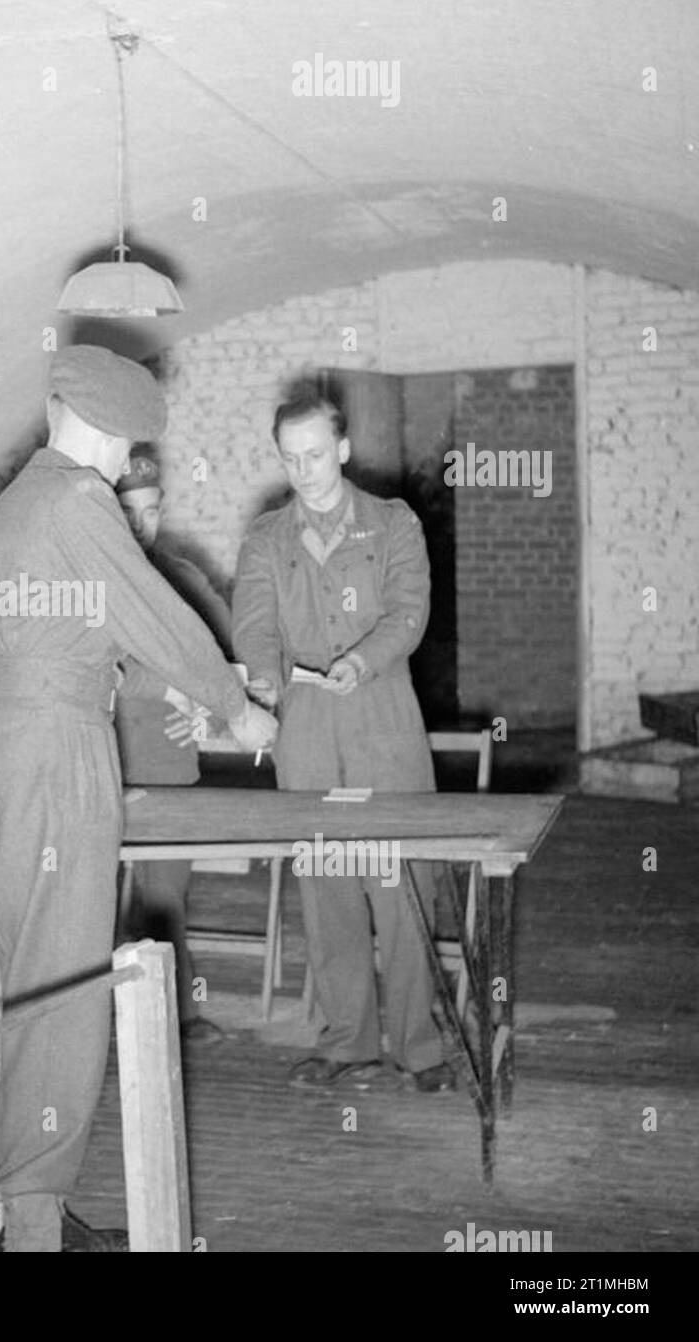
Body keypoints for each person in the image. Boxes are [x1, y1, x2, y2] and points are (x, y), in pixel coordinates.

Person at [0, 345, 276, 1252]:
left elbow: (28, 635)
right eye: (124, 443)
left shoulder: (6, 509)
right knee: (64, 1000)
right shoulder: (80, 500)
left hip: (3, 752)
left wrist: (151, 681)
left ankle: (34, 1210)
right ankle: (30, 1230)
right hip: (60, 759)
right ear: (102, 428)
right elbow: (154, 611)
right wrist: (232, 708)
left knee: (33, 993)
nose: (119, 461)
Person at [231, 391, 454, 1093]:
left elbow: (409, 613)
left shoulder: (392, 524)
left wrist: (363, 660)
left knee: (404, 892)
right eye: (291, 459)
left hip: (384, 724)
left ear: (344, 449)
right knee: (327, 896)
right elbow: (255, 630)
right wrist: (263, 687)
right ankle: (347, 1042)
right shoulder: (266, 538)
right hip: (306, 735)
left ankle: (421, 1049)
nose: (306, 471)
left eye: (317, 455)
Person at [114, 444, 233, 1043]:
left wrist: (209, 718)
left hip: (165, 762)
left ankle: (173, 1015)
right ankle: (92, 1017)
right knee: (92, 899)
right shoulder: (82, 580)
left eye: (152, 510)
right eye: (126, 510)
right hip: (101, 763)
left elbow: (228, 672)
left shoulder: (182, 578)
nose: (140, 525)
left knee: (166, 899)